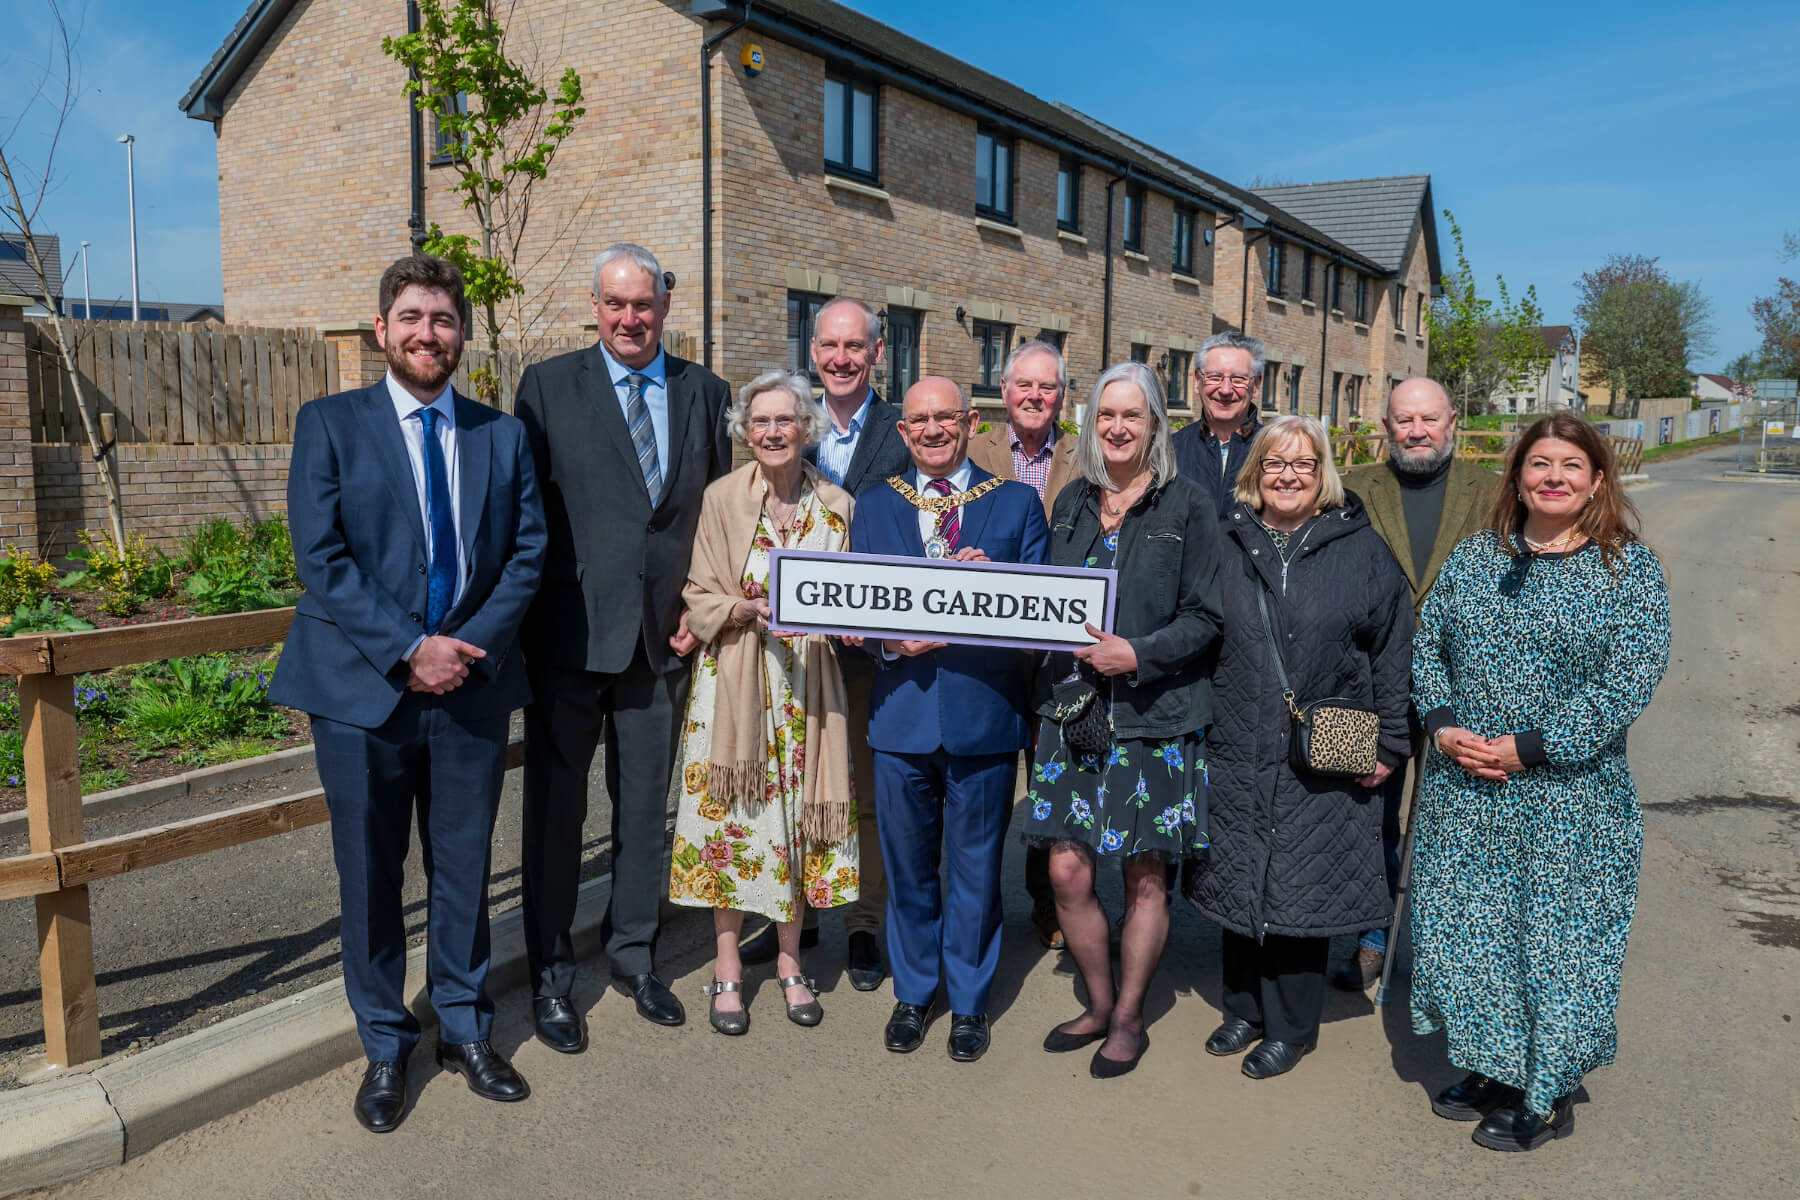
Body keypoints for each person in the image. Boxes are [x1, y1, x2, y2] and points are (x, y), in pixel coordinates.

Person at [269, 254, 546, 1132]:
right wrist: (408, 650)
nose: (430, 334)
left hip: (470, 686)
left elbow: (527, 554)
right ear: (383, 329)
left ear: (463, 335)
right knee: (370, 875)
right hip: (364, 694)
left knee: (464, 869)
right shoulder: (330, 424)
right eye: (414, 318)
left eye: (445, 320)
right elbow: (320, 555)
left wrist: (461, 651)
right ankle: (386, 1043)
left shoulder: (501, 436)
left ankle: (463, 1026)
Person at [1409, 413, 1670, 1152]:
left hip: (1569, 796)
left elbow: (1628, 680)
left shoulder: (1628, 571)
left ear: (1597, 481)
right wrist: (1442, 725)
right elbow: (1429, 650)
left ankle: (1547, 1090)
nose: (1554, 477)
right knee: (1475, 933)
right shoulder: (1475, 558)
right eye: (1540, 464)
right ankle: (1497, 1067)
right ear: (1518, 478)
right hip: (1467, 788)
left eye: (1571, 466)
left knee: (1557, 943)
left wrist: (1533, 746)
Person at [514, 243, 732, 1047]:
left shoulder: (705, 391)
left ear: (665, 307)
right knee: (556, 817)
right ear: (595, 306)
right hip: (569, 638)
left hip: (664, 640)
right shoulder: (547, 386)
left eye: (643, 304)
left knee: (643, 813)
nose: (630, 318)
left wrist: (701, 611)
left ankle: (634, 956)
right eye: (615, 304)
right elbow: (525, 510)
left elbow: (717, 518)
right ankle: (550, 977)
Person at [1186, 414, 1413, 1080]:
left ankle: (1289, 1026)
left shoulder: (1361, 549)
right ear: (1255, 472)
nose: (1288, 476)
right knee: (1236, 869)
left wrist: (1391, 740)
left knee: (1301, 879)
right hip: (1234, 734)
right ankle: (1243, 1007)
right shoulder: (1225, 540)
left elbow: (1393, 648)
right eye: (1275, 463)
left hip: (1328, 741)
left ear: (1323, 475)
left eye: (1303, 464)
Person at [1019, 362, 1223, 1078]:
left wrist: (1138, 652)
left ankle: (1130, 1018)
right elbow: (1042, 594)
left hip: (1153, 714)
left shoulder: (1187, 505)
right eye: (1106, 414)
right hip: (1072, 709)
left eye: (1132, 415)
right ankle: (1100, 1002)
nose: (1117, 427)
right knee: (1067, 870)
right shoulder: (1072, 501)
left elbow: (1207, 616)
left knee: (1144, 875)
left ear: (1156, 424)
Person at [848, 375, 1049, 1063]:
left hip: (982, 715)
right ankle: (914, 992)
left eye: (946, 418)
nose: (933, 430)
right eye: (919, 421)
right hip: (900, 717)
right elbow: (855, 607)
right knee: (907, 868)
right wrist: (888, 644)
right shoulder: (875, 504)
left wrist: (997, 588)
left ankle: (968, 1001)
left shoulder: (1016, 503)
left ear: (970, 423)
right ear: (903, 432)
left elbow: (1043, 615)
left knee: (975, 870)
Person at [668, 370, 858, 1034]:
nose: (774, 432)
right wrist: (744, 609)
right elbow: (698, 593)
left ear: (807, 428)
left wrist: (848, 622)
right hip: (735, 686)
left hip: (808, 688)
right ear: (745, 432)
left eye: (786, 420)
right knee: (734, 825)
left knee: (797, 826)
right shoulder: (722, 498)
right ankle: (727, 967)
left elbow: (853, 593)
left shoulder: (837, 504)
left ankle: (788, 961)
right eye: (761, 422)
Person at [740, 297, 908, 991]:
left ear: (877, 353)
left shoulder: (903, 432)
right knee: (791, 787)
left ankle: (863, 925)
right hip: (789, 654)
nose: (841, 359)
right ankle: (795, 914)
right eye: (829, 346)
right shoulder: (789, 425)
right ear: (812, 351)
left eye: (855, 346)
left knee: (861, 793)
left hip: (865, 654)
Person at [1332, 377, 1493, 991]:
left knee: (1458, 820)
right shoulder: (1351, 488)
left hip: (1464, 682)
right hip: (1364, 678)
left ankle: (1442, 947)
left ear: (1452, 421)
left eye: (1429, 419)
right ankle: (1371, 936)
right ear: (1386, 426)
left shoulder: (1494, 491)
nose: (1417, 431)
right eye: (1404, 420)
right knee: (1363, 813)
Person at [968, 339, 1083, 952]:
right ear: (1004, 390)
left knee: (1050, 779)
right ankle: (976, 902)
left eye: (1048, 386)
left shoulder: (1085, 455)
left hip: (1054, 649)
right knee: (980, 784)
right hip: (984, 648)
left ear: (1061, 395)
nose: (1035, 396)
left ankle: (1046, 898)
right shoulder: (972, 449)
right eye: (1025, 385)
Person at [1170, 330, 1266, 516]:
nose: (1225, 390)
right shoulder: (1170, 452)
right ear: (1197, 381)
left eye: (1238, 379)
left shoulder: (1274, 453)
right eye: (1215, 377)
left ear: (1256, 385)